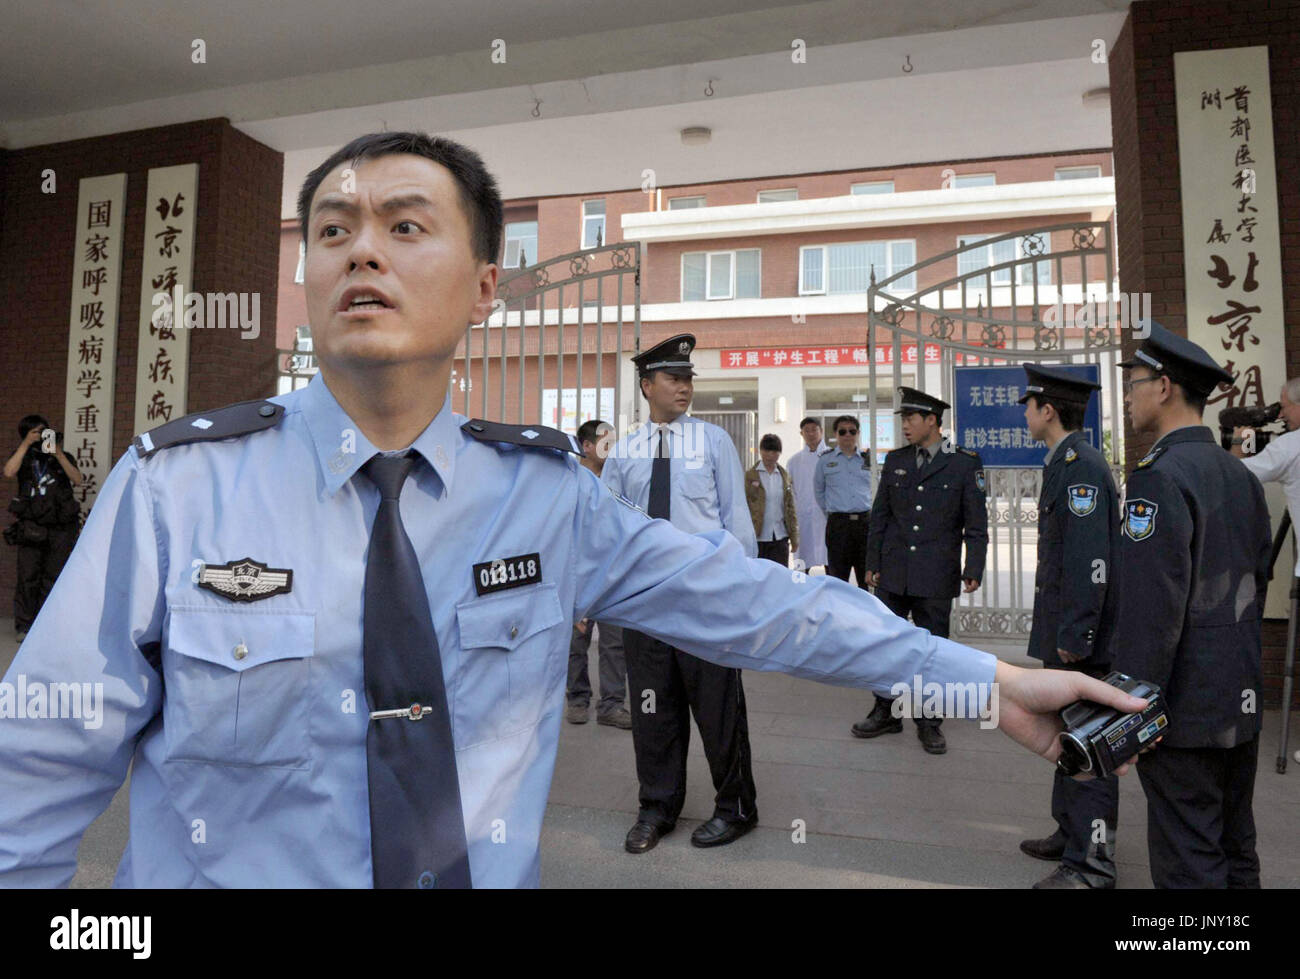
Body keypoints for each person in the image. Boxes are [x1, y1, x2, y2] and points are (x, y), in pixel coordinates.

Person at [0, 131, 1150, 890]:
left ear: (485, 287)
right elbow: (35, 771)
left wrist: (979, 680)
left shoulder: (544, 498)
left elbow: (763, 609)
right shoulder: (178, 490)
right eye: (334, 230)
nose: (362, 252)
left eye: (406, 226)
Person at [1112, 322, 1271, 889]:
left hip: (1182, 708)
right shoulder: (1241, 476)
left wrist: (1134, 705)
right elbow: (1258, 578)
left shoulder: (1160, 478)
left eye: (1133, 381)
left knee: (1189, 855)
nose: (1128, 394)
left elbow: (1153, 609)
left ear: (1165, 387)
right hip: (1241, 692)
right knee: (1235, 842)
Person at [601, 334, 761, 853]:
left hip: (704, 599)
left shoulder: (713, 442)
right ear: (647, 385)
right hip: (647, 603)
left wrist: (742, 591)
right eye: (673, 378)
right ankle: (657, 806)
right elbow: (609, 528)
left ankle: (736, 807)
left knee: (718, 709)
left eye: (689, 378)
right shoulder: (625, 452)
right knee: (653, 709)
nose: (685, 387)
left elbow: (736, 520)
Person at [1015, 364, 1120, 889]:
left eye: (1029, 406)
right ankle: (1069, 831)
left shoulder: (1080, 467)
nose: (1026, 415)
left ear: (1048, 410)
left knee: (1091, 746)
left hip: (1081, 641)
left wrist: (1077, 637)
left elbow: (1089, 559)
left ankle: (1092, 865)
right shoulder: (1065, 462)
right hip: (1066, 631)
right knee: (1068, 735)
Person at [854, 387, 988, 755]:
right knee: (886, 647)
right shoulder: (896, 460)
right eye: (904, 419)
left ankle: (929, 722)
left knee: (933, 651)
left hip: (935, 575)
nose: (906, 426)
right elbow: (879, 517)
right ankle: (887, 712)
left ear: (933, 420)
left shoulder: (964, 463)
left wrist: (973, 565)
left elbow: (976, 523)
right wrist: (872, 564)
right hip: (894, 573)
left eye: (911, 418)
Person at [565, 419, 631, 729]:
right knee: (577, 642)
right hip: (580, 574)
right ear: (588, 446)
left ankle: (612, 704)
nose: (612, 448)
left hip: (614, 574)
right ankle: (577, 699)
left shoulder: (616, 480)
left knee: (614, 644)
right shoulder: (570, 482)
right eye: (606, 442)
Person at [3, 417, 82, 637]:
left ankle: (48, 624)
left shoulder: (62, 457)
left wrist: (57, 453)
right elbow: (9, 472)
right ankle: (25, 626)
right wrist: (26, 444)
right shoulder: (24, 456)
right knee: (28, 576)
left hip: (60, 527)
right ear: (27, 433)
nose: (41, 436)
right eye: (36, 432)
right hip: (32, 525)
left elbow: (78, 480)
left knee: (54, 576)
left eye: (44, 432)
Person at [1231, 377, 1300, 580]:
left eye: (1285, 406)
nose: (1281, 414)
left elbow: (1236, 475)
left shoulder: (1290, 446)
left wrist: (1239, 441)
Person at [813, 415, 872, 587]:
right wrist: (832, 512)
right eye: (843, 431)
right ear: (835, 434)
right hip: (838, 525)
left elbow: (878, 488)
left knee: (866, 577)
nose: (848, 435)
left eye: (852, 431)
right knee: (838, 579)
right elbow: (819, 491)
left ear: (858, 434)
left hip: (865, 524)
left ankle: (866, 613)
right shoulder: (825, 460)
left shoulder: (867, 459)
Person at [745, 433, 798, 567]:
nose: (770, 454)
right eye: (767, 450)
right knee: (758, 576)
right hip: (757, 536)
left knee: (780, 577)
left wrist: (794, 536)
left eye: (774, 451)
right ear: (761, 451)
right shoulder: (750, 476)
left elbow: (790, 508)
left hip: (780, 536)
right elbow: (744, 505)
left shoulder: (784, 476)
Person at [787, 417, 829, 570]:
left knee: (831, 561)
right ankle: (802, 591)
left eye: (814, 429)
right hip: (803, 516)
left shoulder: (831, 457)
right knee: (802, 562)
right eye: (807, 430)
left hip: (827, 517)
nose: (811, 434)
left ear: (821, 431)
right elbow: (790, 492)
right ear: (801, 433)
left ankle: (831, 593)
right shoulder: (794, 461)